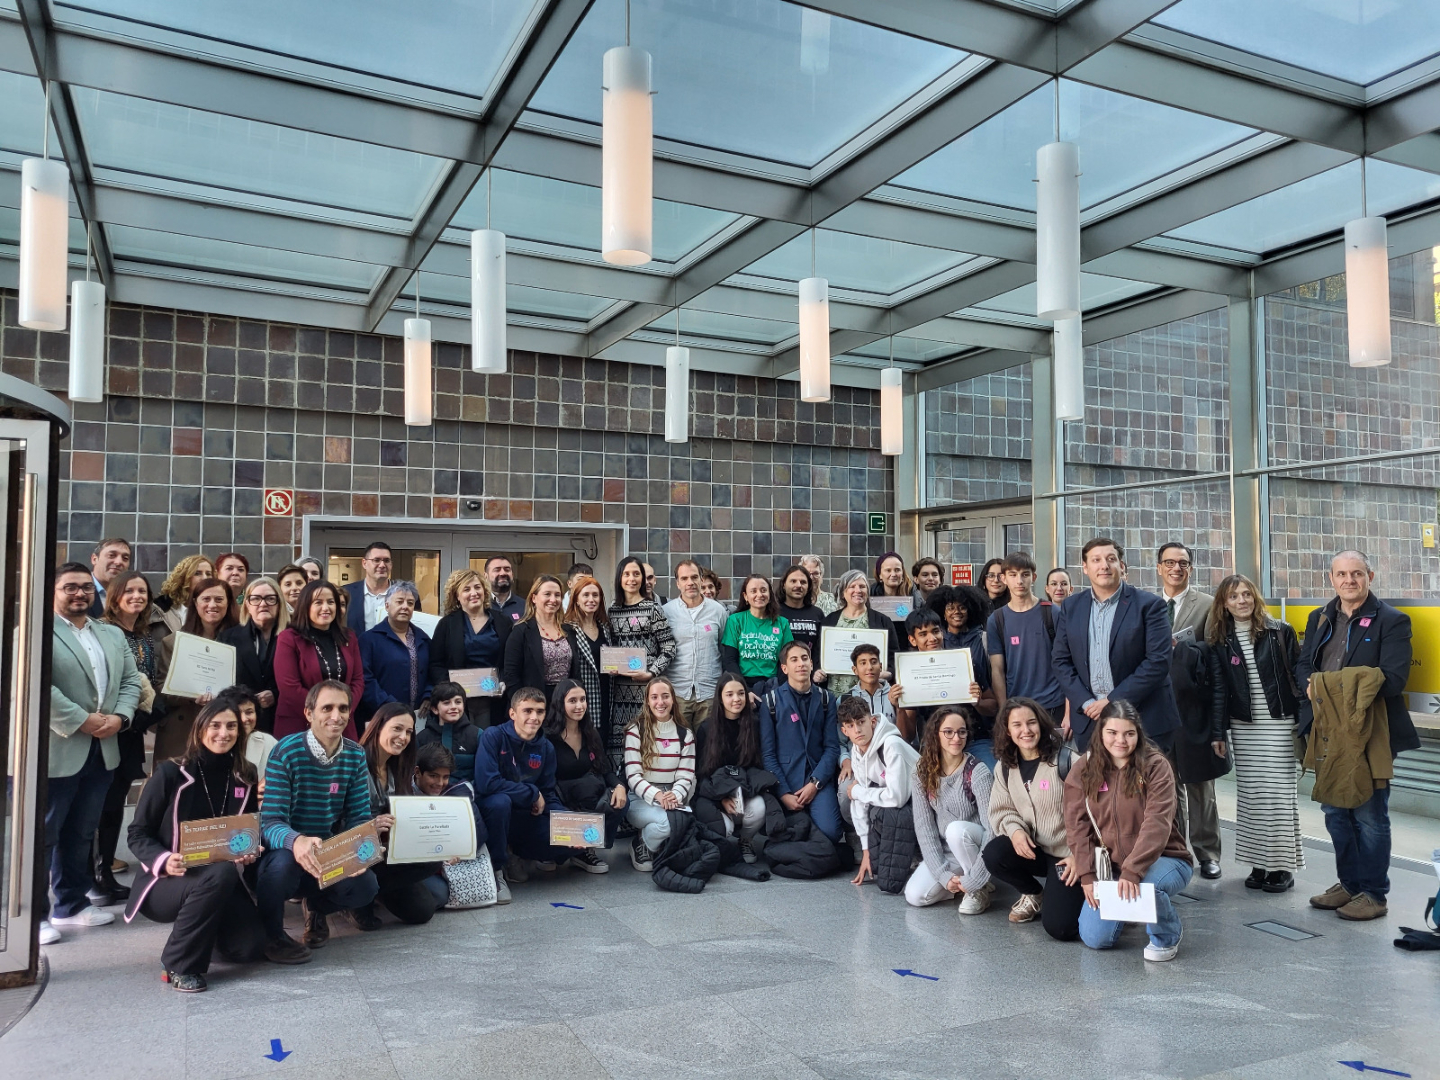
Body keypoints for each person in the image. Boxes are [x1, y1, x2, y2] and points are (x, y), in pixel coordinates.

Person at [1294, 549, 1416, 922]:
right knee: (1335, 812)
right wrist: (1310, 688)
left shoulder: (1392, 621)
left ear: (1370, 576)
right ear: (1331, 579)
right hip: (1326, 731)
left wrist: (1326, 686)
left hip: (1370, 733)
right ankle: (1348, 885)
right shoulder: (1320, 618)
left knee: (1368, 814)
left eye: (1357, 574)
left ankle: (1374, 894)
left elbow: (1393, 679)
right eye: (1342, 574)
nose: (1349, 580)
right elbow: (1303, 667)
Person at [124, 698, 266, 991]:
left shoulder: (246, 775)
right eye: (215, 725)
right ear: (200, 728)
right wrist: (163, 858)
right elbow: (137, 833)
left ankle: (197, 934)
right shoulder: (170, 773)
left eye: (231, 726)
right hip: (166, 880)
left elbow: (244, 830)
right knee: (223, 873)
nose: (223, 733)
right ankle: (178, 963)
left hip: (216, 877)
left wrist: (250, 850)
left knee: (248, 948)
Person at [44, 563, 144, 945]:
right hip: (60, 746)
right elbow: (38, 685)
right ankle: (35, 916)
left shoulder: (109, 633)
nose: (80, 594)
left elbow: (132, 680)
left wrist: (120, 716)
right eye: (70, 587)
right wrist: (83, 719)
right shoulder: (37, 632)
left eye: (86, 587)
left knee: (82, 832)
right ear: (54, 590)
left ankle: (71, 905)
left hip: (103, 748)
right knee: (46, 834)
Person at [256, 680, 378, 963]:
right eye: (327, 708)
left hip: (325, 852)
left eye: (343, 708)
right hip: (284, 852)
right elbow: (270, 820)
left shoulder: (355, 754)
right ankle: (272, 934)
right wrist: (296, 841)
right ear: (309, 713)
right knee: (282, 868)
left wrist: (357, 852)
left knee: (366, 886)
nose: (336, 716)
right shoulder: (286, 751)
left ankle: (317, 908)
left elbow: (359, 816)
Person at [1064, 700, 1194, 962]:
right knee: (1095, 938)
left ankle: (1166, 935)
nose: (1120, 741)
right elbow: (1076, 824)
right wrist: (1088, 875)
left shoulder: (1156, 766)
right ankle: (1133, 909)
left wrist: (1133, 870)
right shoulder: (1085, 767)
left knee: (1147, 886)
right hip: (1110, 866)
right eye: (1112, 733)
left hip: (1165, 859)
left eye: (1129, 733)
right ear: (1101, 732)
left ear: (1138, 733)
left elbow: (1157, 823)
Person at [1206, 574, 1304, 895]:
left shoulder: (1280, 631)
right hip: (1244, 727)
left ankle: (1281, 866)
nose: (1242, 601)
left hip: (1279, 723)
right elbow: (1219, 690)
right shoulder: (1221, 640)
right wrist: (1219, 731)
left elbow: (1298, 680)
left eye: (1247, 594)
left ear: (1256, 597)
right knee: (1252, 796)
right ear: (1224, 603)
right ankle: (1257, 863)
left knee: (1278, 795)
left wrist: (1304, 722)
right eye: (1233, 597)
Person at [1051, 537, 1178, 753]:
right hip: (1089, 719)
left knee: (1143, 786)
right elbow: (1060, 661)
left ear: (1121, 564)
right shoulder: (1072, 606)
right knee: (1097, 786)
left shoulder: (1150, 605)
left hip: (1142, 718)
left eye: (1111, 559)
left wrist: (1111, 700)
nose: (1104, 566)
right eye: (1096, 560)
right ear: (1085, 567)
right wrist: (1086, 703)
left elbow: (1158, 662)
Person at [981, 698, 1084, 938]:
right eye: (1017, 725)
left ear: (1042, 724)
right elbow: (1001, 809)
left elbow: (1098, 813)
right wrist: (1015, 831)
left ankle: (1084, 890)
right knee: (995, 854)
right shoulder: (1005, 766)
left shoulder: (1067, 761)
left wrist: (1081, 855)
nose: (1025, 730)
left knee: (1061, 928)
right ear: (1007, 730)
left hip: (1067, 855)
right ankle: (1034, 893)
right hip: (1035, 850)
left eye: (1031, 723)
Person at [94, 569, 164, 905]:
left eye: (142, 592)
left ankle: (105, 869)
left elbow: (149, 677)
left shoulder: (145, 635)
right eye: (130, 591)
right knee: (100, 803)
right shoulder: (103, 631)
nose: (137, 597)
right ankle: (95, 874)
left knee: (115, 802)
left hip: (135, 728)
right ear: (116, 595)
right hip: (112, 727)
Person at [1155, 541, 1223, 879]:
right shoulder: (1150, 605)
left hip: (1193, 707)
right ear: (1159, 568)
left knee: (1200, 786)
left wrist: (1186, 649)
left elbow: (1215, 654)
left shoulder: (1208, 605)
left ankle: (1208, 853)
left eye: (1182, 563)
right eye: (1169, 563)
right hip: (1157, 709)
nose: (1175, 568)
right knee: (1167, 784)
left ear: (1190, 568)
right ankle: (1177, 850)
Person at [474, 687, 572, 899]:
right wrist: (531, 792)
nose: (534, 717)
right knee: (500, 802)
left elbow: (548, 793)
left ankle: (516, 854)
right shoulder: (493, 736)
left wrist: (568, 823)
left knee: (568, 841)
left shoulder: (546, 747)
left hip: (527, 816)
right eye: (527, 711)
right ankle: (496, 868)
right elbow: (487, 783)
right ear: (512, 713)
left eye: (540, 711)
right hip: (494, 815)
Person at [353, 703, 442, 927]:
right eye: (397, 729)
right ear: (378, 727)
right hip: (357, 847)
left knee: (423, 911)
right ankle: (356, 900)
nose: (403, 737)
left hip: (389, 849)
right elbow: (340, 818)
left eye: (409, 732)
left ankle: (373, 892)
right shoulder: (355, 761)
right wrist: (370, 826)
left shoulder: (399, 765)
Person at [905, 704, 994, 913]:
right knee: (915, 896)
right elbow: (924, 829)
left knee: (956, 831)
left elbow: (993, 830)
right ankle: (961, 882)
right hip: (947, 850)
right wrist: (944, 876)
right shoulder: (922, 773)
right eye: (948, 732)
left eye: (961, 732)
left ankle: (978, 887)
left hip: (975, 843)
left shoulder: (977, 771)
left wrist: (977, 877)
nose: (956, 738)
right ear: (936, 734)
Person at [758, 642, 842, 844]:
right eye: (794, 660)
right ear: (785, 668)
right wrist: (783, 793)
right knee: (784, 834)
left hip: (816, 779)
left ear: (812, 664)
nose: (801, 664)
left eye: (805, 658)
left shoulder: (826, 699)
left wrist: (815, 783)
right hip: (785, 779)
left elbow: (832, 748)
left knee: (832, 833)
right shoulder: (770, 701)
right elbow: (768, 754)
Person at [841, 697, 920, 894]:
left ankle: (918, 855)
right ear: (845, 731)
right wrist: (866, 850)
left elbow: (897, 798)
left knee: (890, 812)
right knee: (875, 866)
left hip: (926, 804)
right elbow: (859, 804)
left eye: (861, 722)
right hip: (902, 806)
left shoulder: (892, 744)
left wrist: (858, 791)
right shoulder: (857, 751)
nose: (857, 730)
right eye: (851, 725)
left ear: (872, 721)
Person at [545, 679, 624, 871]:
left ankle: (588, 849)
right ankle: (556, 852)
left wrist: (620, 786)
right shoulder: (547, 736)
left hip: (586, 796)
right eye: (572, 700)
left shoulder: (590, 732)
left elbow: (604, 768)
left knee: (620, 801)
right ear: (560, 703)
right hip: (560, 799)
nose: (579, 706)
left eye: (583, 699)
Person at [608, 556, 677, 773]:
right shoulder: (612, 611)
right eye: (627, 574)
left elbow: (669, 648)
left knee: (647, 741)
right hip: (618, 693)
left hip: (647, 693)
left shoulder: (653, 609)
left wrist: (651, 673)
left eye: (636, 574)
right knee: (620, 744)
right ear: (619, 578)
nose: (632, 579)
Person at [157, 578, 237, 763]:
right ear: (195, 602)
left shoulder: (241, 642)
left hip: (225, 731)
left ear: (228, 603)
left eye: (219, 599)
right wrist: (191, 695)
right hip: (182, 729)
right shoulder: (173, 642)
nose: (212, 605)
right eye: (206, 599)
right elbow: (161, 687)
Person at [274, 579, 364, 740]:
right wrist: (323, 713)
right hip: (300, 724)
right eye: (318, 602)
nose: (326, 608)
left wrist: (343, 710)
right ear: (305, 606)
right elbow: (289, 686)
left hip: (341, 724)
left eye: (331, 602)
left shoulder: (349, 637)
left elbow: (357, 681)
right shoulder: (289, 638)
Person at [624, 677, 696, 871]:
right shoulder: (635, 730)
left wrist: (676, 794)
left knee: (681, 822)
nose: (660, 702)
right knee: (668, 823)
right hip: (641, 798)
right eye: (654, 697)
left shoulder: (685, 734)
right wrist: (657, 795)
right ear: (647, 701)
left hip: (672, 796)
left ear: (673, 699)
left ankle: (650, 841)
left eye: (665, 696)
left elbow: (686, 774)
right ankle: (642, 844)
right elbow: (633, 776)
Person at [692, 673, 766, 858]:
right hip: (713, 795)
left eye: (741, 693)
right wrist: (721, 799)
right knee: (724, 829)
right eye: (730, 694)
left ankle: (746, 840)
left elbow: (758, 767)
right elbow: (700, 775)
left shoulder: (755, 725)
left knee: (759, 808)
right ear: (720, 697)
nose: (736, 699)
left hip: (745, 791)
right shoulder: (706, 728)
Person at [888, 609, 984, 750]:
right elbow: (906, 736)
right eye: (923, 634)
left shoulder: (963, 661)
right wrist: (899, 707)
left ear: (942, 632)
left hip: (971, 741)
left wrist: (978, 702)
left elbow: (992, 706)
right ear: (912, 640)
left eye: (935, 631)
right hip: (933, 746)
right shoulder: (908, 672)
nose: (932, 638)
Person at [428, 569, 512, 729]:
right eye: (466, 589)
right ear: (457, 596)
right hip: (458, 702)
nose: (473, 593)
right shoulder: (447, 624)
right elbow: (436, 663)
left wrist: (504, 682)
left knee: (491, 744)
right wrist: (450, 690)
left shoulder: (502, 621)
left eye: (477, 587)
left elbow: (511, 660)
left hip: (494, 700)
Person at [986, 553, 1065, 719]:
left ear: (1034, 577)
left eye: (1025, 574)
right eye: (1013, 575)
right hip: (1016, 707)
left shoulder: (1052, 613)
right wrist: (1003, 710)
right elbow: (997, 670)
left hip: (1053, 705)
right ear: (1004, 578)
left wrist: (1069, 713)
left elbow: (1068, 664)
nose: (1019, 581)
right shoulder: (997, 619)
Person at [663, 560, 728, 729]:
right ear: (677, 583)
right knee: (679, 746)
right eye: (684, 579)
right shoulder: (666, 612)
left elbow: (723, 647)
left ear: (701, 579)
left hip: (709, 692)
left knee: (708, 747)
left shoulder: (718, 611)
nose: (690, 583)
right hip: (677, 692)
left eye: (694, 577)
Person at [359, 580, 432, 724]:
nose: (405, 607)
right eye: (399, 602)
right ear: (387, 605)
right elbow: (365, 678)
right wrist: (388, 704)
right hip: (381, 715)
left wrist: (429, 695)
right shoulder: (370, 639)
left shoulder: (423, 639)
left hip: (418, 717)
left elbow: (433, 671)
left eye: (410, 603)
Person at [219, 576, 285, 735]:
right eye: (256, 598)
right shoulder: (228, 637)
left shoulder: (293, 636)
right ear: (247, 604)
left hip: (280, 720)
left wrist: (275, 694)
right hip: (241, 721)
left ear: (279, 603)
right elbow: (223, 681)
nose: (263, 604)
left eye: (270, 598)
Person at [927, 583, 996, 719]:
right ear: (943, 614)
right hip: (945, 716)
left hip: (981, 718)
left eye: (962, 608)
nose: (956, 612)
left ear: (970, 611)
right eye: (950, 608)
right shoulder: (937, 642)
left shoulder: (984, 639)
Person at [563, 575, 614, 752]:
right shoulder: (567, 629)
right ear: (576, 599)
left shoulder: (606, 628)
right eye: (586, 595)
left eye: (595, 595)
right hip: (582, 697)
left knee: (603, 742)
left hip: (606, 694)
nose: (591, 600)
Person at [502, 574, 571, 703]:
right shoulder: (521, 631)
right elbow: (511, 676)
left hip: (565, 703)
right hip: (534, 703)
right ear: (534, 598)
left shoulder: (568, 630)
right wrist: (523, 704)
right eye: (547, 594)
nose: (553, 599)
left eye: (557, 595)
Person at [720, 574, 793, 689]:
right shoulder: (735, 621)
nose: (759, 595)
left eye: (763, 590)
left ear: (769, 594)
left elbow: (787, 660)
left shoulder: (782, 623)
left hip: (773, 685)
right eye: (753, 591)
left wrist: (778, 689)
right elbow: (730, 660)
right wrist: (744, 690)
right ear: (745, 596)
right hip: (743, 684)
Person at [417, 680, 481, 778]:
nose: (453, 707)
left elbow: (483, 774)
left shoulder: (477, 735)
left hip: (467, 792)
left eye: (458, 702)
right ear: (434, 709)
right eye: (446, 703)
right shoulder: (422, 738)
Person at [155, 554, 215, 638]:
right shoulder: (162, 608)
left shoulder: (215, 609)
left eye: (208, 574)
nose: (204, 578)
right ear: (184, 577)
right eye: (197, 573)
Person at [776, 564, 824, 662]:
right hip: (777, 673)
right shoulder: (773, 612)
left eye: (803, 582)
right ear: (784, 585)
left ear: (808, 587)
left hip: (808, 672)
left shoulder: (817, 614)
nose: (798, 585)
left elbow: (820, 649)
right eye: (793, 581)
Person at [343, 541, 393, 634]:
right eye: (376, 560)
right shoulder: (345, 593)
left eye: (386, 560)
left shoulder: (405, 595)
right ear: (364, 563)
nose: (382, 565)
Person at [88, 537, 132, 617]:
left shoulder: (132, 596)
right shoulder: (77, 592)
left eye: (125, 558)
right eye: (111, 555)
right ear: (94, 559)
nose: (118, 562)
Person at [486, 555, 523, 624]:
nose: (503, 573)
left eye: (507, 569)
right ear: (486, 576)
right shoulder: (481, 605)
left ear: (512, 574)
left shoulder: (524, 607)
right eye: (497, 570)